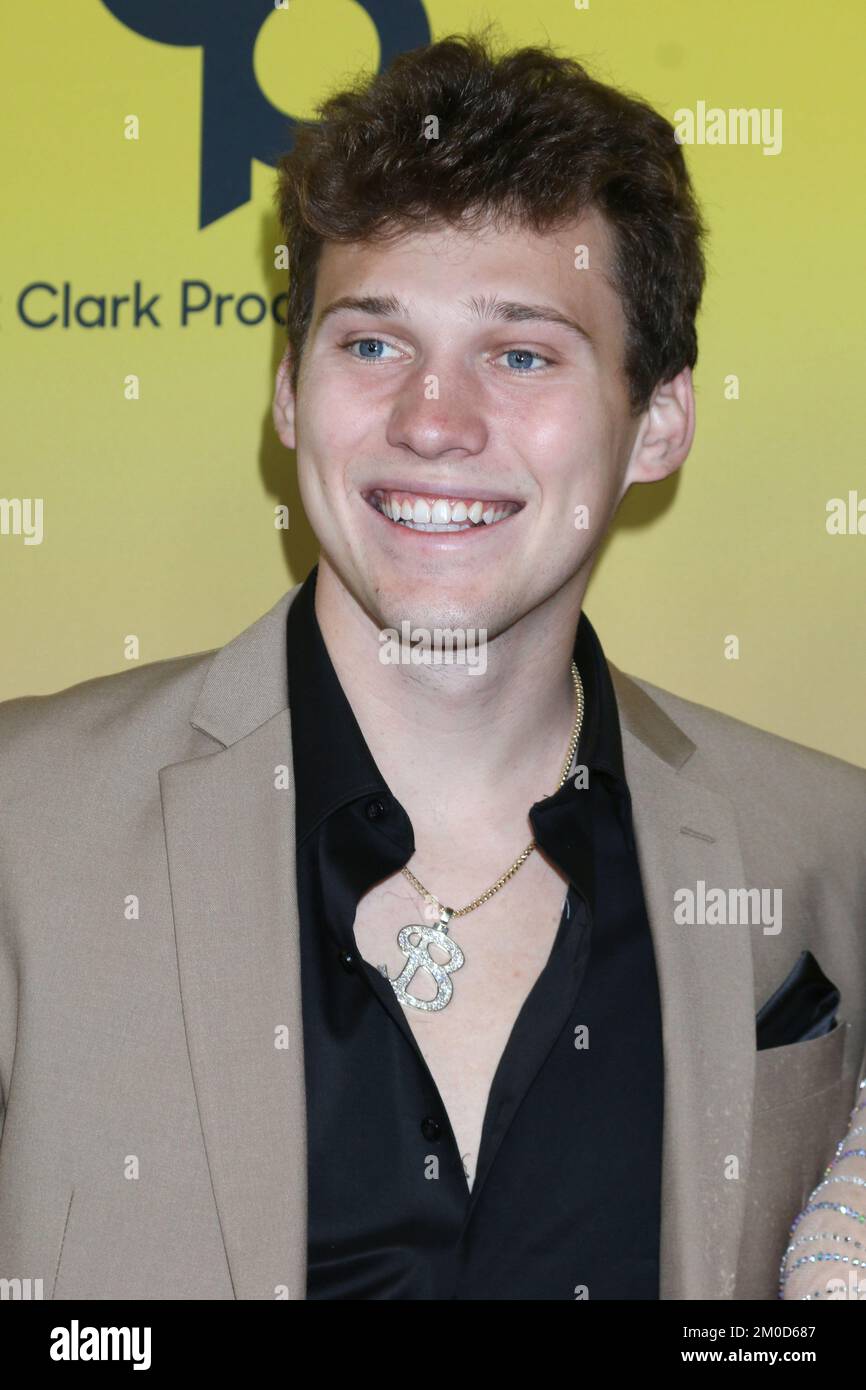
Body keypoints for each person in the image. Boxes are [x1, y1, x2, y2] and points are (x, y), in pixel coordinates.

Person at [0, 29, 864, 1302]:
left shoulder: (824, 845)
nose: (430, 420)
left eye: (519, 352)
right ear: (288, 394)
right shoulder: (25, 824)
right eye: (369, 343)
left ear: (656, 421)